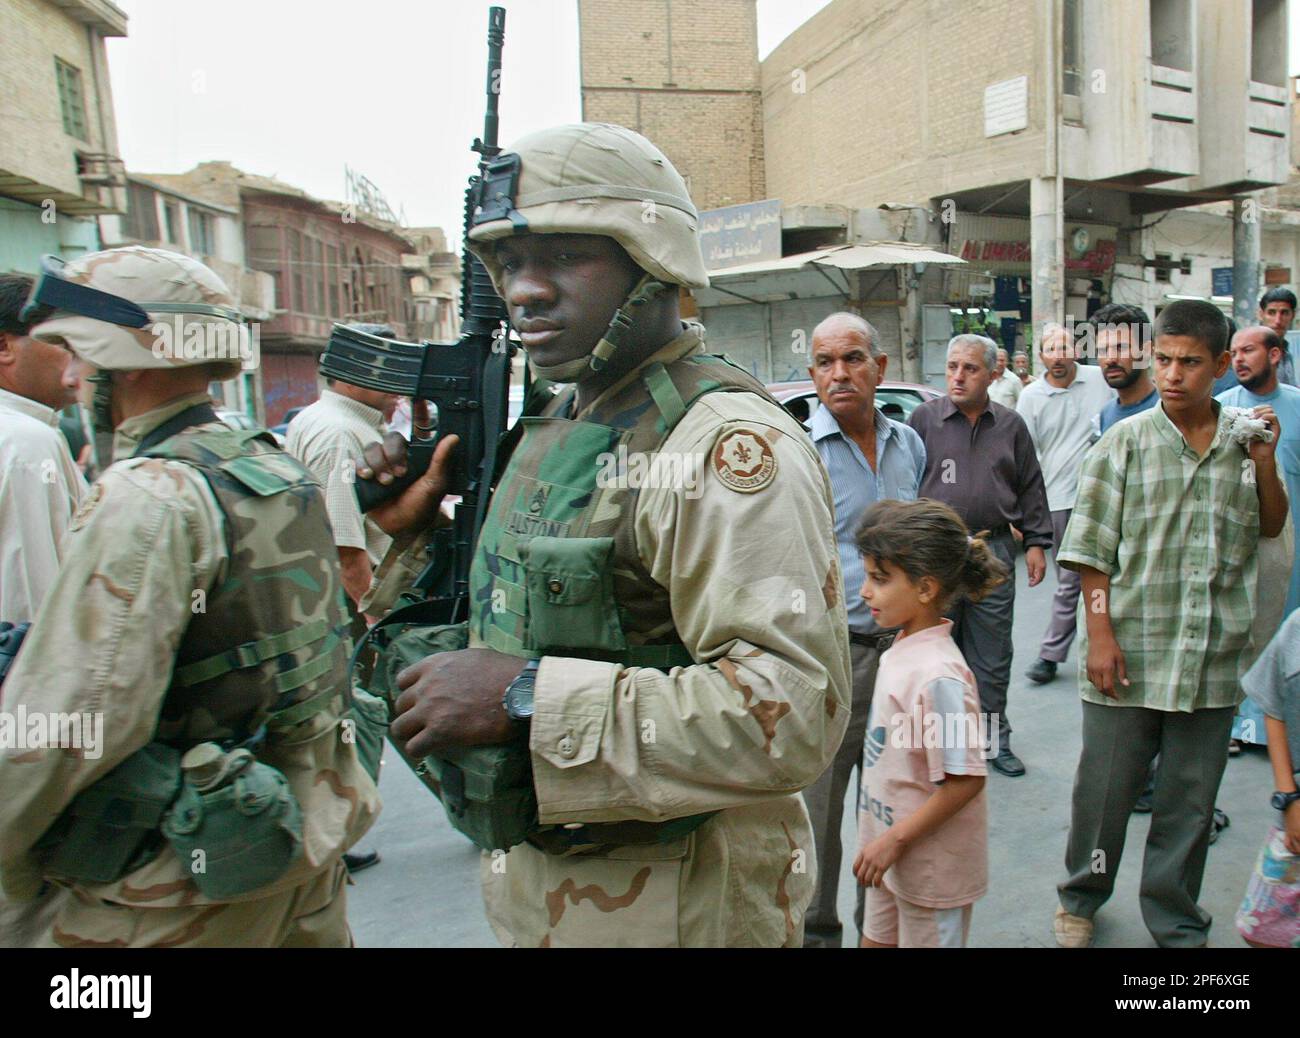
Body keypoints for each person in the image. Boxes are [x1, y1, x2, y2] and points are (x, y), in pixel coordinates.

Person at [358, 123, 851, 947]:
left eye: (564, 256)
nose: (528, 290)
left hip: (680, 911)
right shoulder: (559, 421)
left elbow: (794, 719)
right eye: (511, 264)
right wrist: (410, 539)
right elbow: (490, 632)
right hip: (548, 894)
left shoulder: (720, 445)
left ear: (651, 257)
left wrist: (524, 698)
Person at [0, 247, 380, 947]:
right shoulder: (267, 463)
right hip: (295, 844)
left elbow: (69, 723)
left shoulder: (148, 495)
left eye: (81, 351)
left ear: (131, 357)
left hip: (178, 888)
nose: (76, 374)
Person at [1054, 298, 1288, 949]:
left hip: (1211, 660)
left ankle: (1175, 916)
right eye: (1164, 360)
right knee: (1102, 798)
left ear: (1220, 366)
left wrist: (1266, 464)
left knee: (1187, 807)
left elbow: (1270, 526)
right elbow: (1091, 554)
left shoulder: (1245, 442)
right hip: (1127, 656)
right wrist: (1099, 638)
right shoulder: (1122, 445)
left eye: (1190, 362)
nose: (1174, 374)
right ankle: (1082, 896)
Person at [801, 312, 926, 949]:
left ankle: (877, 932)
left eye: (853, 359)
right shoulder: (799, 454)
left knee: (890, 802)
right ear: (813, 374)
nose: (840, 374)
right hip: (835, 659)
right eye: (826, 362)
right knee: (820, 811)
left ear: (880, 367)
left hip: (905, 655)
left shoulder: (909, 444)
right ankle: (817, 935)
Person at [851, 499, 1002, 948]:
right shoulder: (902, 647)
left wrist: (895, 841)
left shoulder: (940, 677)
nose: (864, 591)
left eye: (880, 579)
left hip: (930, 872)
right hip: (889, 858)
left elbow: (964, 781)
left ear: (925, 588)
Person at [908, 334, 1051, 778]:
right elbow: (905, 482)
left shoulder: (1010, 425)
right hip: (938, 555)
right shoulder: (924, 420)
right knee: (937, 654)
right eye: (952, 367)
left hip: (993, 553)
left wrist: (1039, 543)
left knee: (992, 655)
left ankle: (995, 740)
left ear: (993, 374)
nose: (957, 376)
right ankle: (944, 747)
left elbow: (1031, 485)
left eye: (969, 368)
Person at [284, 322, 397, 875]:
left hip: (336, 597)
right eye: (391, 372)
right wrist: (374, 613)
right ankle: (342, 833)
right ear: (361, 376)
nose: (401, 384)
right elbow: (345, 540)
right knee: (368, 713)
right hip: (353, 600)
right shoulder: (337, 433)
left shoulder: (334, 421)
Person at [0, 272, 88, 948]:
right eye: (58, 342)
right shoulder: (27, 446)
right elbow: (43, 626)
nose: (77, 360)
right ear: (7, 349)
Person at [1217, 324, 1300, 756]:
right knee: (1242, 630)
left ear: (1274, 354)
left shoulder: (1297, 406)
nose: (1239, 359)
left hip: (1294, 549)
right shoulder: (1221, 409)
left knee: (1287, 635)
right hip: (1242, 544)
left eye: (1248, 350)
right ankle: (1238, 722)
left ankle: (1284, 731)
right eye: (1233, 353)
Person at [1017, 324, 1115, 686]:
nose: (1058, 355)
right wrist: (1026, 513)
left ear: (1076, 350)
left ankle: (1062, 651)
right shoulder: (1031, 397)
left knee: (1097, 579)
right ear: (1041, 356)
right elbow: (1024, 456)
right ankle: (1062, 649)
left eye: (1065, 347)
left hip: (1105, 495)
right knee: (1072, 580)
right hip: (1057, 500)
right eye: (1050, 349)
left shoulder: (1098, 379)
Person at [1233, 609, 1300, 948]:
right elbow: (1273, 707)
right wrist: (1288, 796)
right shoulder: (1297, 628)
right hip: (1297, 817)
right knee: (1261, 928)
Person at [1093, 303, 1158, 437]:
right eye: (1103, 350)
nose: (1110, 359)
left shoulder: (1170, 410)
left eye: (1120, 348)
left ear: (1147, 351)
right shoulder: (1106, 414)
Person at [1258, 287, 1297, 387]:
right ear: (1261, 314)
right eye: (1271, 313)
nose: (1278, 321)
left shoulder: (1286, 354)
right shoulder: (1251, 353)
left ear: (1293, 315)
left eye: (1284, 313)